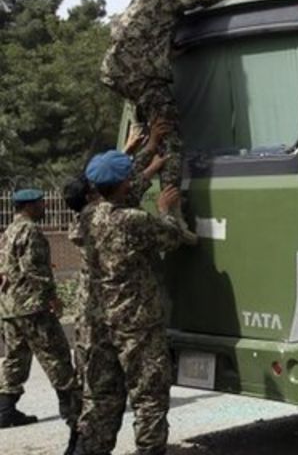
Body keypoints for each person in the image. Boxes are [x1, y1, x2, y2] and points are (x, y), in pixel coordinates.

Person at [73, 151, 186, 455]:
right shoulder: (134, 221)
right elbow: (172, 237)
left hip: (97, 324)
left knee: (101, 398)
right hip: (136, 324)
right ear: (124, 182)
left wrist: (149, 163)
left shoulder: (86, 216)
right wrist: (165, 209)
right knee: (149, 397)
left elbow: (116, 201)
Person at [99, 0, 221, 236]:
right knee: (170, 139)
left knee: (149, 135)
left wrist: (170, 49)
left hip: (122, 81)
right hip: (146, 81)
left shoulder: (127, 13)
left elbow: (143, 43)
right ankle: (174, 212)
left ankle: (137, 176)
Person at [0, 189, 81, 442]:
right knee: (57, 358)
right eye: (41, 204)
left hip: (10, 307)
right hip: (33, 307)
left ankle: (5, 410)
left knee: (16, 357)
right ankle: (74, 416)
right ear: (30, 206)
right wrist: (52, 297)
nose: (44, 207)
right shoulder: (30, 231)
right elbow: (34, 269)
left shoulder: (10, 230)